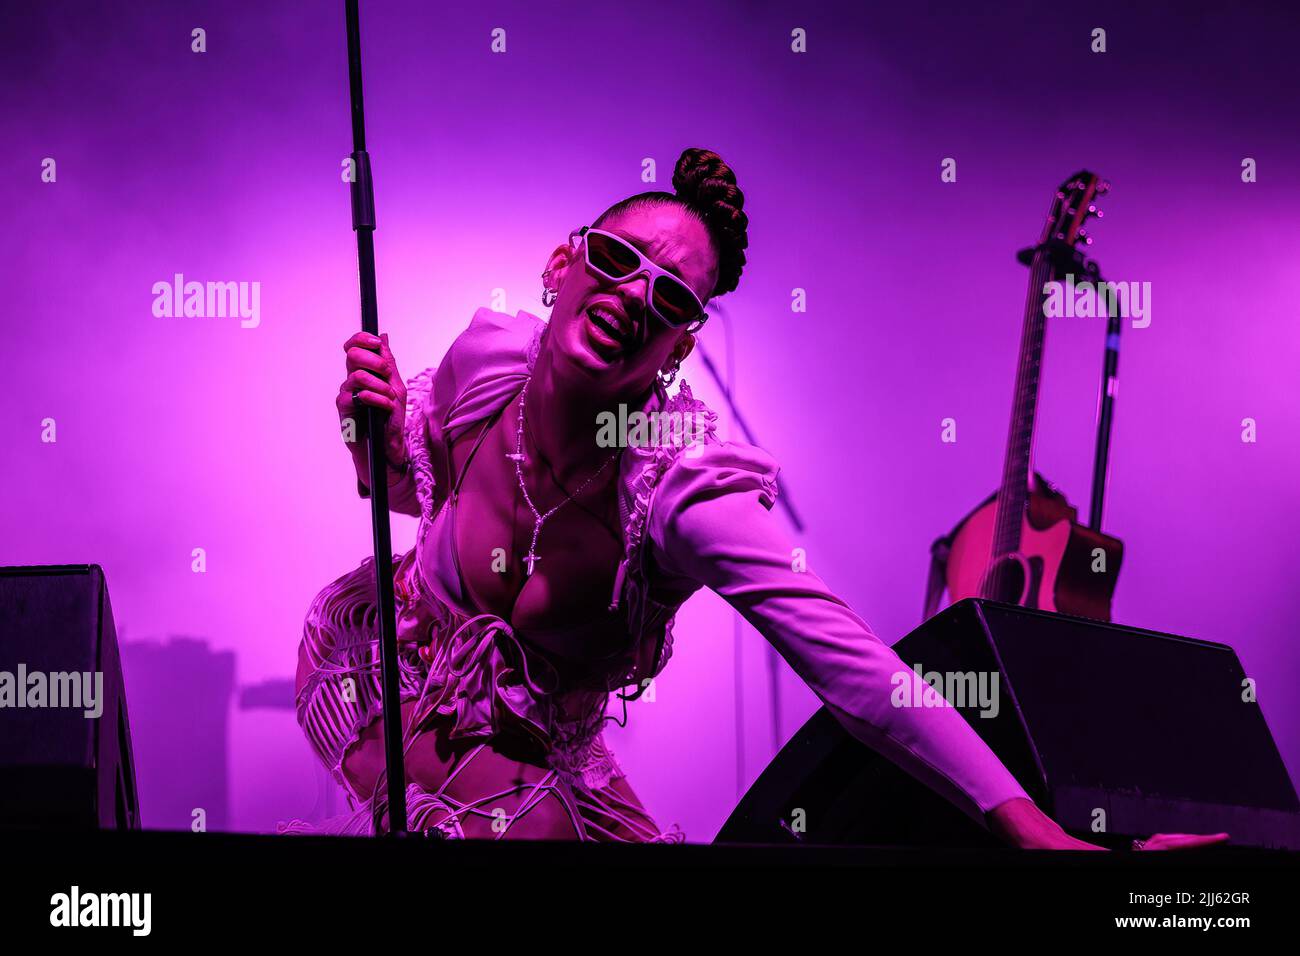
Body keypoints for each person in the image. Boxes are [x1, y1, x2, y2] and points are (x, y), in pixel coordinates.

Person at [292, 147, 1226, 849]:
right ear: (563, 263)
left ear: (679, 348)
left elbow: (860, 673)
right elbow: (404, 492)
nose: (635, 295)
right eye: (618, 260)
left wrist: (1036, 831)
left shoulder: (674, 492)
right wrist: (362, 433)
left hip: (538, 763)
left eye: (671, 299)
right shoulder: (485, 362)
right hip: (369, 662)